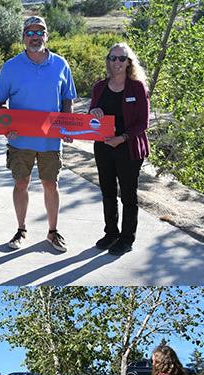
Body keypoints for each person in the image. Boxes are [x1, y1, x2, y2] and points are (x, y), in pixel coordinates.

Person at [0, 16, 76, 253]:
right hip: (20, 140)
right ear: (23, 37)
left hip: (50, 140)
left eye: (39, 32)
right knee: (21, 183)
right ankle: (21, 230)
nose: (35, 37)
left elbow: (67, 99)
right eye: (30, 33)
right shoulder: (11, 67)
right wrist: (5, 126)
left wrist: (67, 127)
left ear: (46, 36)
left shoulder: (60, 64)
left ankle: (52, 232)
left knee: (50, 184)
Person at [89, 43, 150, 256]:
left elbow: (143, 123)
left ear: (128, 62)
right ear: (108, 61)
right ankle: (111, 233)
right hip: (103, 147)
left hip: (128, 148)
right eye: (113, 58)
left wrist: (122, 138)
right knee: (107, 192)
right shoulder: (99, 87)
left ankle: (126, 238)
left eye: (122, 58)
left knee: (128, 195)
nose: (117, 62)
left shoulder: (137, 88)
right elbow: (91, 114)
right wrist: (94, 112)